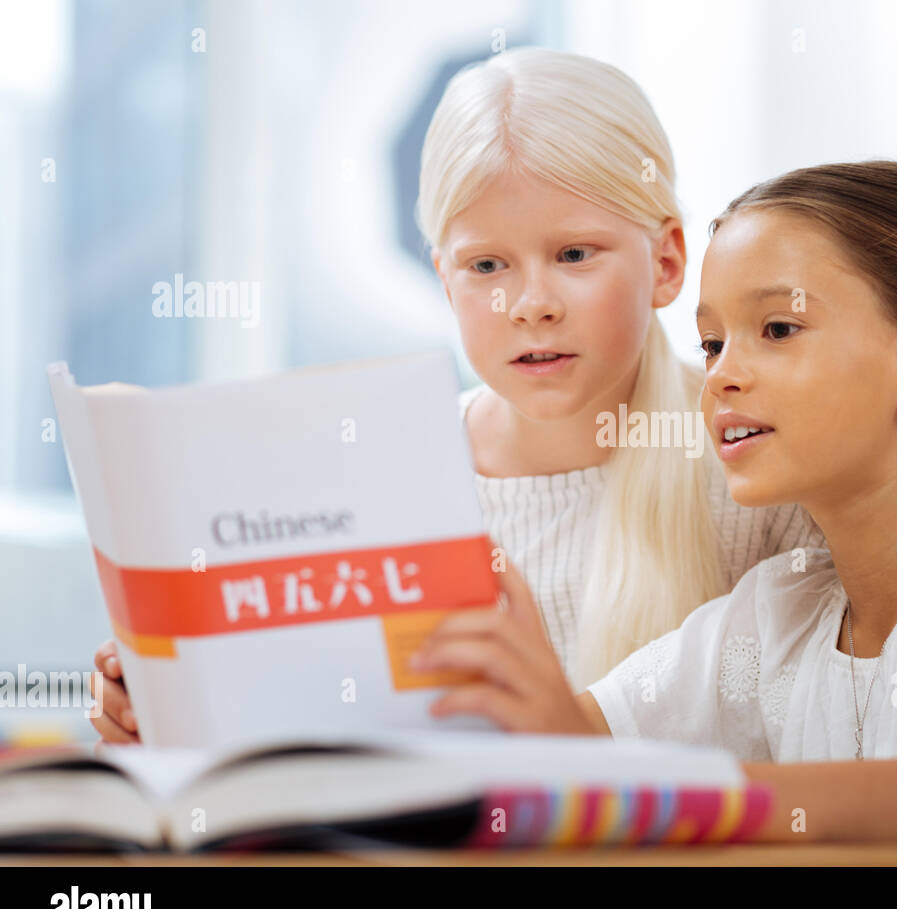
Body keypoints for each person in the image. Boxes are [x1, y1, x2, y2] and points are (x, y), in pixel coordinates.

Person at [409, 160, 897, 865]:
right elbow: (583, 742)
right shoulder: (774, 613)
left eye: (777, 329)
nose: (719, 378)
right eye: (712, 345)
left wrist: (634, 782)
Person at [88, 47, 822, 744]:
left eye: (573, 254)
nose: (531, 303)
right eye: (487, 266)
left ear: (665, 262)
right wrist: (176, 714)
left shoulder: (758, 462)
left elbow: (805, 753)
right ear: (444, 279)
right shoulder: (370, 477)